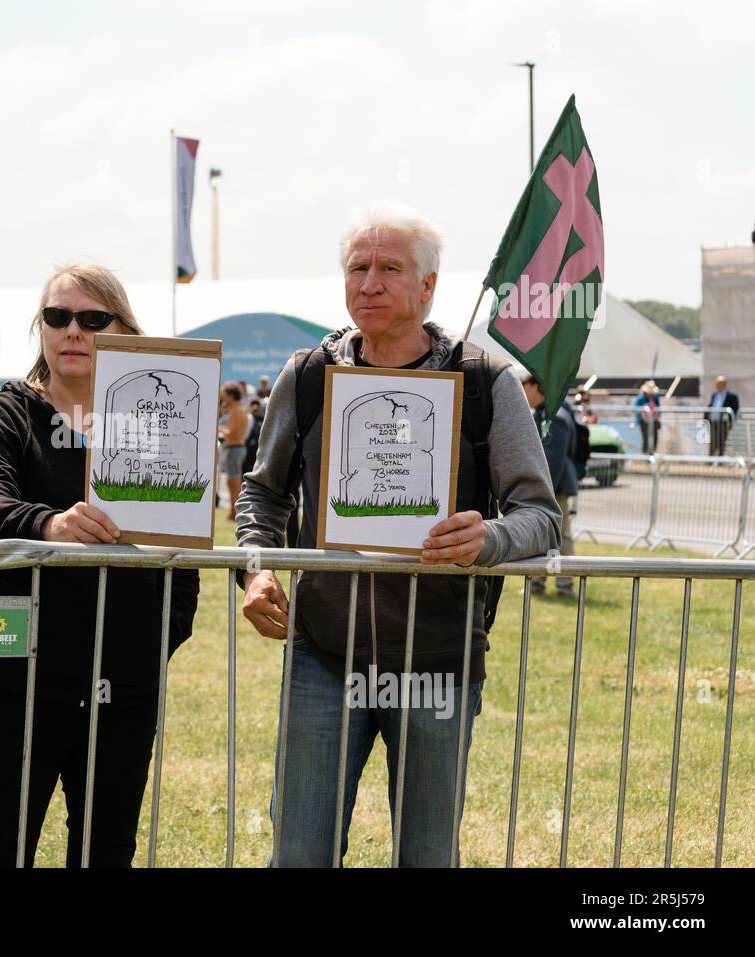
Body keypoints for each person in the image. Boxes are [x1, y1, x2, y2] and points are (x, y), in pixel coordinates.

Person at [236, 206, 560, 867]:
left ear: (429, 286)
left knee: (427, 854)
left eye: (390, 268)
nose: (370, 283)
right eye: (358, 267)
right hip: (323, 656)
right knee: (300, 851)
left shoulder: (483, 379)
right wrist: (253, 567)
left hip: (438, 661)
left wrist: (488, 537)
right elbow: (262, 493)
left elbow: (541, 515)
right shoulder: (307, 374)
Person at [0, 262, 201, 867]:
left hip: (122, 680)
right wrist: (49, 525)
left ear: (122, 329)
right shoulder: (2, 415)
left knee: (105, 849)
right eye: (58, 317)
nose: (74, 331)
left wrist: (157, 640)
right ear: (39, 328)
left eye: (93, 319)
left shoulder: (158, 424)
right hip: (10, 667)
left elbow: (184, 540)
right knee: (1, 849)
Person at [522, 375, 577, 598]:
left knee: (561, 537)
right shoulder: (547, 414)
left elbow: (552, 463)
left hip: (553, 488)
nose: (523, 393)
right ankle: (538, 580)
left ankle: (565, 583)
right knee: (545, 537)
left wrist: (543, 493)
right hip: (548, 488)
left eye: (525, 387)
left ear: (536, 386)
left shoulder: (554, 417)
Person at [218, 382, 250, 520]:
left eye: (225, 396)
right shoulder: (236, 409)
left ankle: (234, 513)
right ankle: (233, 512)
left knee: (234, 483)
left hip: (234, 448)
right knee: (232, 483)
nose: (223, 398)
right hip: (234, 448)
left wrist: (217, 428)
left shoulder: (237, 411)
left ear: (231, 396)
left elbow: (232, 433)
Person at [706, 375, 740, 457]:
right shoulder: (714, 395)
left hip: (724, 423)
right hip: (713, 421)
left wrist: (731, 420)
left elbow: (735, 409)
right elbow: (711, 405)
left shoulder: (732, 396)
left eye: (718, 383)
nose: (716, 385)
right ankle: (710, 459)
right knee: (712, 440)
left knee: (721, 441)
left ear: (723, 384)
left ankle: (720, 459)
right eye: (716, 383)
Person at [633, 380, 661, 454]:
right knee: (646, 438)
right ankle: (645, 454)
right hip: (643, 421)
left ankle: (652, 453)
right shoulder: (641, 398)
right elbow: (636, 409)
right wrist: (643, 411)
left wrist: (657, 416)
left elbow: (659, 409)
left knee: (655, 437)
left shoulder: (655, 398)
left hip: (654, 420)